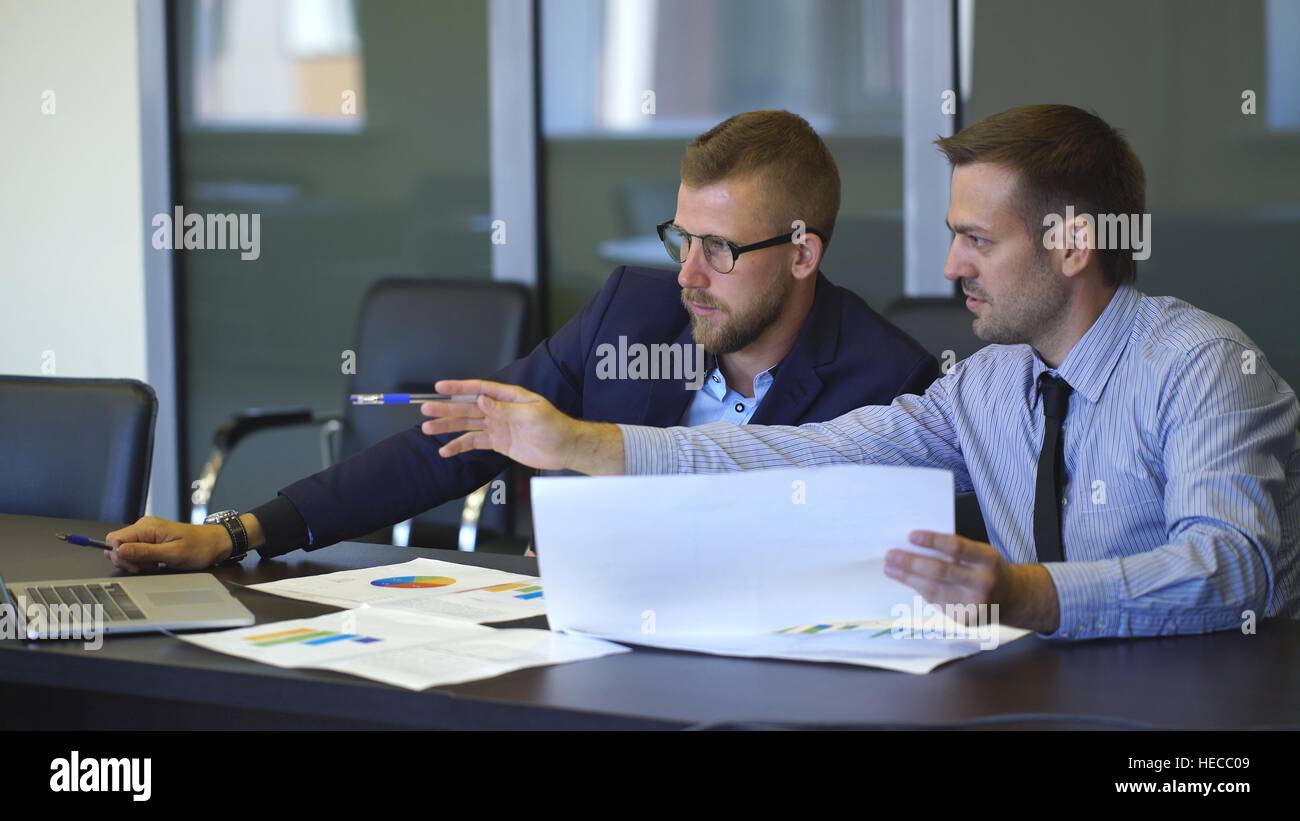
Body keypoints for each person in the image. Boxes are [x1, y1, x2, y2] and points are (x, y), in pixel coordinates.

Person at [420, 104, 1300, 638]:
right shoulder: (987, 385)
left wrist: (1024, 590)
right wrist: (587, 445)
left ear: (1074, 245)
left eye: (976, 240)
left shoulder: (1205, 368)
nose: (950, 265)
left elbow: (1234, 566)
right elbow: (805, 453)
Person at [105, 110, 939, 571]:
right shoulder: (631, 316)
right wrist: (244, 530)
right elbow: (454, 437)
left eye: (719, 250)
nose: (688, 275)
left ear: (801, 253)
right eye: (679, 238)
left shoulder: (885, 379)